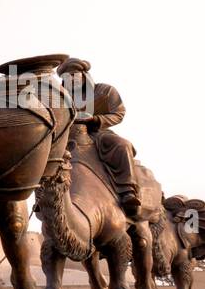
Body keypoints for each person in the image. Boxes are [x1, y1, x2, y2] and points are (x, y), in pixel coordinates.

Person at [56, 57, 141, 216]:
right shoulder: (58, 98)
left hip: (98, 133)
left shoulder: (105, 91)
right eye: (66, 77)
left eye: (74, 74)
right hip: (67, 136)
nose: (71, 79)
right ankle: (45, 196)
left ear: (83, 74)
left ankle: (127, 191)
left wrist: (96, 120)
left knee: (122, 145)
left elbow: (119, 113)